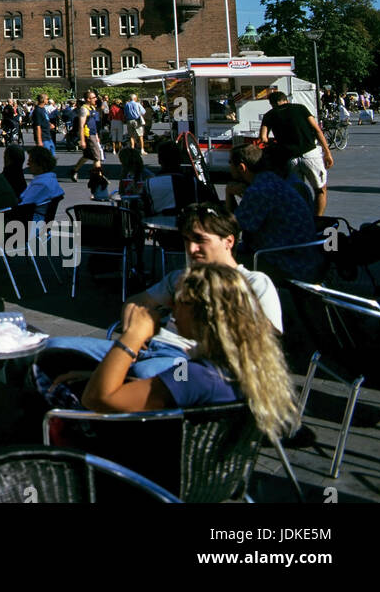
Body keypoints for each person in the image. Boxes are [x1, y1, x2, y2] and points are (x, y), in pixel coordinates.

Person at [40, 204, 282, 381]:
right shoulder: (180, 277)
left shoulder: (254, 282)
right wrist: (134, 328)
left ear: (228, 241)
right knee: (54, 346)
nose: (191, 248)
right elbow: (137, 301)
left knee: (143, 373)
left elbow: (265, 340)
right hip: (148, 347)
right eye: (186, 240)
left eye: (200, 240)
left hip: (191, 362)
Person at [79, 262, 298, 445]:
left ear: (204, 313)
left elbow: (96, 398)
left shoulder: (198, 376)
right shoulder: (232, 365)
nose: (173, 309)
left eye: (181, 302)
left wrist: (133, 337)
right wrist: (114, 380)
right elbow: (174, 381)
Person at [228, 143, 318, 280]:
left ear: (242, 167)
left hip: (287, 263)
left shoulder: (258, 191)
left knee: (219, 262)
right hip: (304, 257)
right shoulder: (272, 181)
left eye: (230, 163)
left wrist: (228, 193)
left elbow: (230, 227)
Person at [258, 89, 334, 219]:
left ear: (272, 104)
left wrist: (276, 143)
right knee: (320, 189)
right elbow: (317, 130)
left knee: (297, 192)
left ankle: (301, 219)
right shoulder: (300, 108)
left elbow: (263, 138)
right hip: (310, 153)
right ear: (285, 100)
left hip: (289, 157)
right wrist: (327, 152)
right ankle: (318, 220)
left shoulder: (269, 115)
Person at [71, 90, 103, 182]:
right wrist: (82, 140)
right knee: (97, 156)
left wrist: (96, 135)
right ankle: (98, 176)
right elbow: (81, 125)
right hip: (88, 135)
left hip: (93, 134)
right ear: (88, 99)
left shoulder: (92, 108)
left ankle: (74, 170)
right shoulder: (84, 109)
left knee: (87, 156)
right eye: (94, 98)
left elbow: (92, 123)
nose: (96, 99)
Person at [18, 146, 63, 212]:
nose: (28, 164)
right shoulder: (50, 179)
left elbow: (23, 206)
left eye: (31, 161)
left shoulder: (41, 184)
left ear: (40, 164)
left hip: (30, 219)